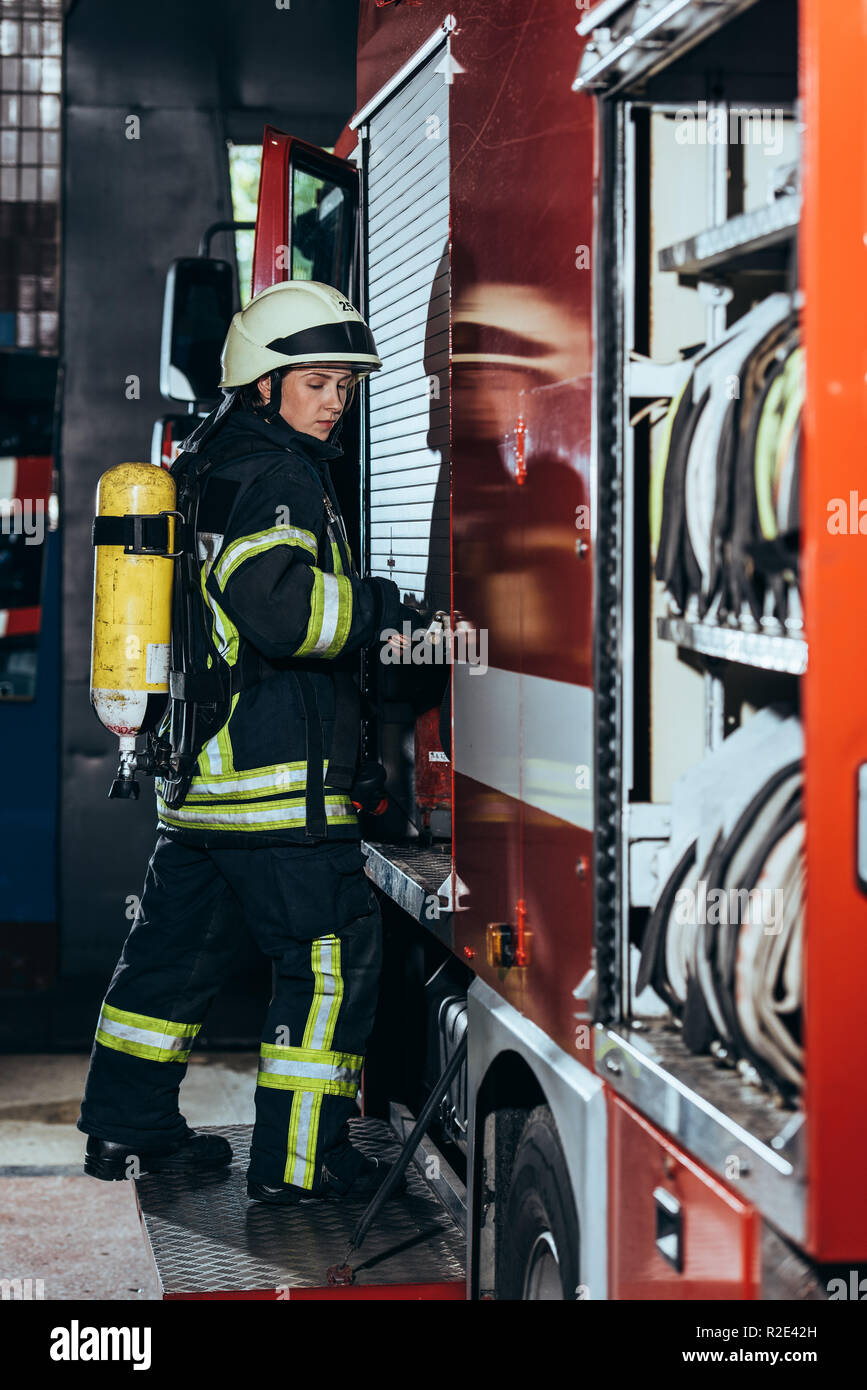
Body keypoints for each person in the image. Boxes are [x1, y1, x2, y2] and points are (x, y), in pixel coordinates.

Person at [78, 280, 418, 1205]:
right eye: (316, 383)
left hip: (198, 789)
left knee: (169, 963)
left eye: (345, 385)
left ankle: (125, 1127)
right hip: (276, 791)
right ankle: (303, 1164)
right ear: (263, 386)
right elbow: (282, 611)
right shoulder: (280, 477)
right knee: (326, 968)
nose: (334, 400)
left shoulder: (198, 465)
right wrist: (390, 609)